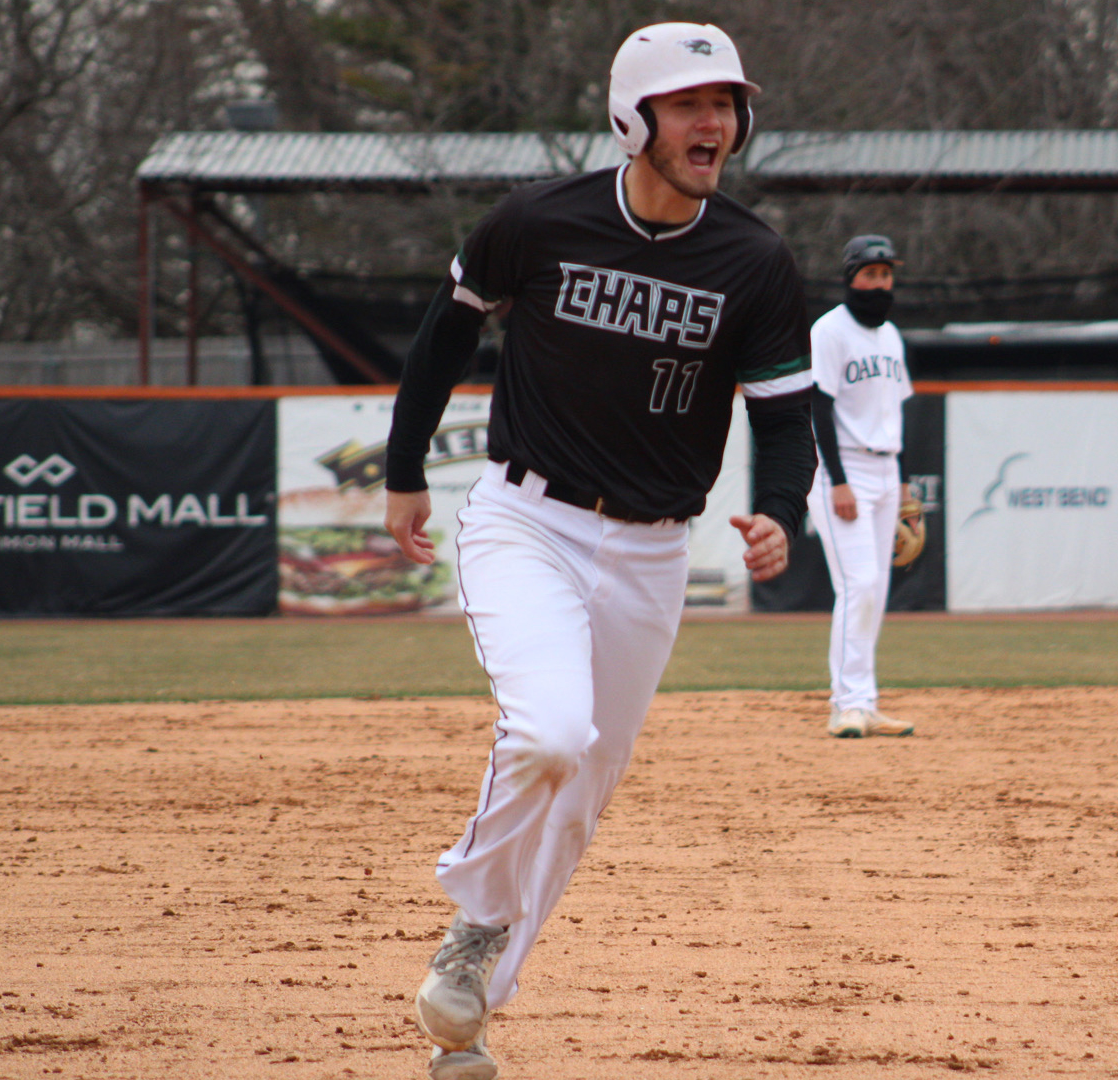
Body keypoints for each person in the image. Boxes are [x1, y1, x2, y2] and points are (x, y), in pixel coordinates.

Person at [379, 23, 815, 1080]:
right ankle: (476, 922)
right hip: (529, 521)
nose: (714, 123)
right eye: (690, 103)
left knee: (579, 801)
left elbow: (785, 415)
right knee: (549, 734)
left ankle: (467, 1018)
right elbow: (445, 335)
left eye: (726, 105)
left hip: (654, 554)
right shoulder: (538, 222)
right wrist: (402, 469)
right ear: (634, 118)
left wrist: (781, 511)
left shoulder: (754, 262)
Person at [807, 235, 916, 739]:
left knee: (876, 591)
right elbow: (819, 407)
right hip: (844, 468)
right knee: (859, 584)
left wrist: (904, 482)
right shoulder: (830, 330)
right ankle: (846, 704)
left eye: (886, 274)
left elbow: (896, 411)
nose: (880, 282)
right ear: (850, 277)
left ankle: (865, 702)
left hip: (886, 469)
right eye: (871, 274)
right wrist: (838, 480)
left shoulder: (891, 336)